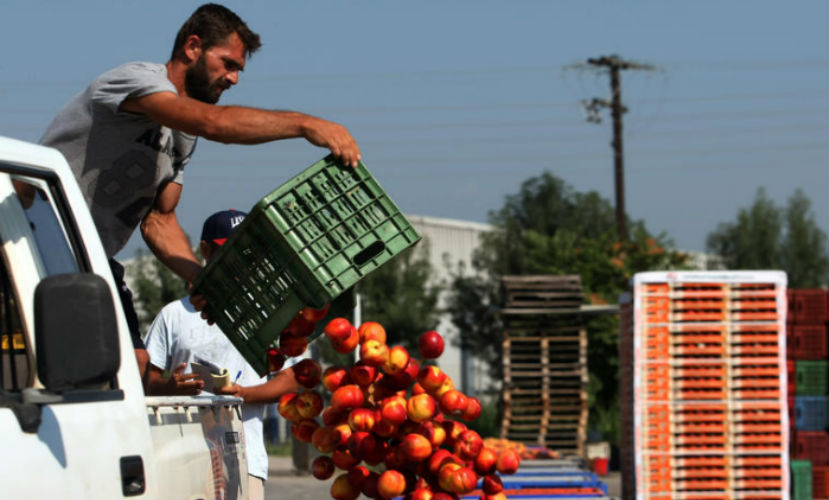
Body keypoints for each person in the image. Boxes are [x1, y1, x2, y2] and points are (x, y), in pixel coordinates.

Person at [38, 3, 360, 382]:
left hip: (92, 259)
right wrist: (305, 124)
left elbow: (159, 220)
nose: (234, 78)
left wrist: (202, 280)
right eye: (228, 63)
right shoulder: (136, 80)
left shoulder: (183, 136)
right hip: (33, 242)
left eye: (238, 69)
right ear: (192, 47)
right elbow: (213, 123)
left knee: (138, 368)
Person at [145, 209, 300, 500]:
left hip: (245, 457)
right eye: (227, 251)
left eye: (246, 254)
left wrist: (242, 394)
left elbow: (290, 380)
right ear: (205, 250)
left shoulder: (267, 315)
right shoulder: (174, 315)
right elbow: (145, 381)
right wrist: (170, 388)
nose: (238, 263)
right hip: (182, 458)